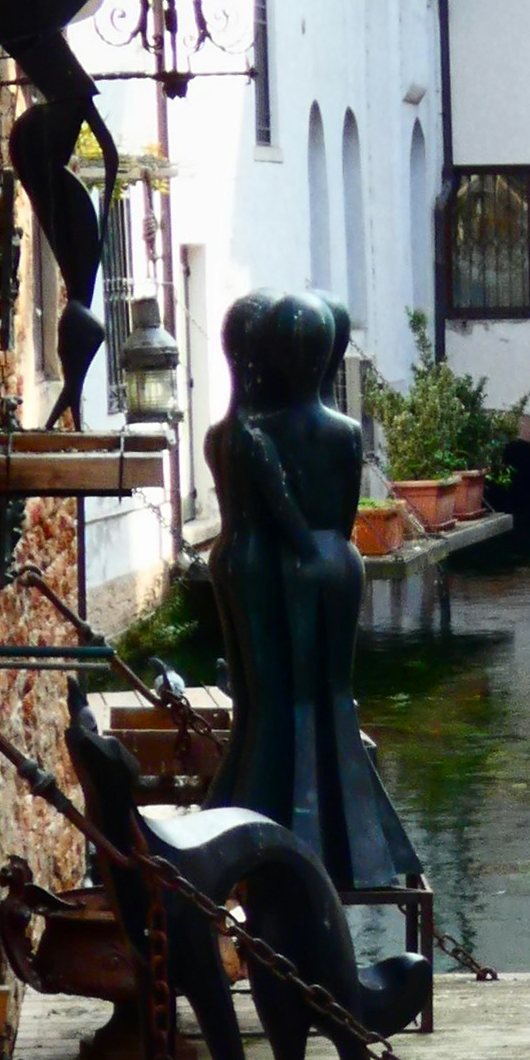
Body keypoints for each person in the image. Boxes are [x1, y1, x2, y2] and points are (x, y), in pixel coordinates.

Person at [202, 289, 424, 903]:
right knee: (326, 694)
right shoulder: (342, 432)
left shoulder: (247, 432)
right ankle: (329, 824)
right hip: (333, 560)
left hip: (271, 563)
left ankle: (266, 814)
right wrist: (309, 542)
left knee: (276, 698)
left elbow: (267, 504)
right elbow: (345, 509)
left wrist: (295, 541)